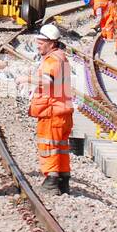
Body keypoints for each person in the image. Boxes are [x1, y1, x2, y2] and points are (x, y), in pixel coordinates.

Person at [30, 24, 74, 194]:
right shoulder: (61, 57)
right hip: (63, 112)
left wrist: (25, 79)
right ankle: (63, 181)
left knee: (48, 146)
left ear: (51, 43)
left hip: (52, 112)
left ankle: (51, 182)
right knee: (61, 148)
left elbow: (47, 81)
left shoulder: (52, 60)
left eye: (41, 42)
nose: (38, 44)